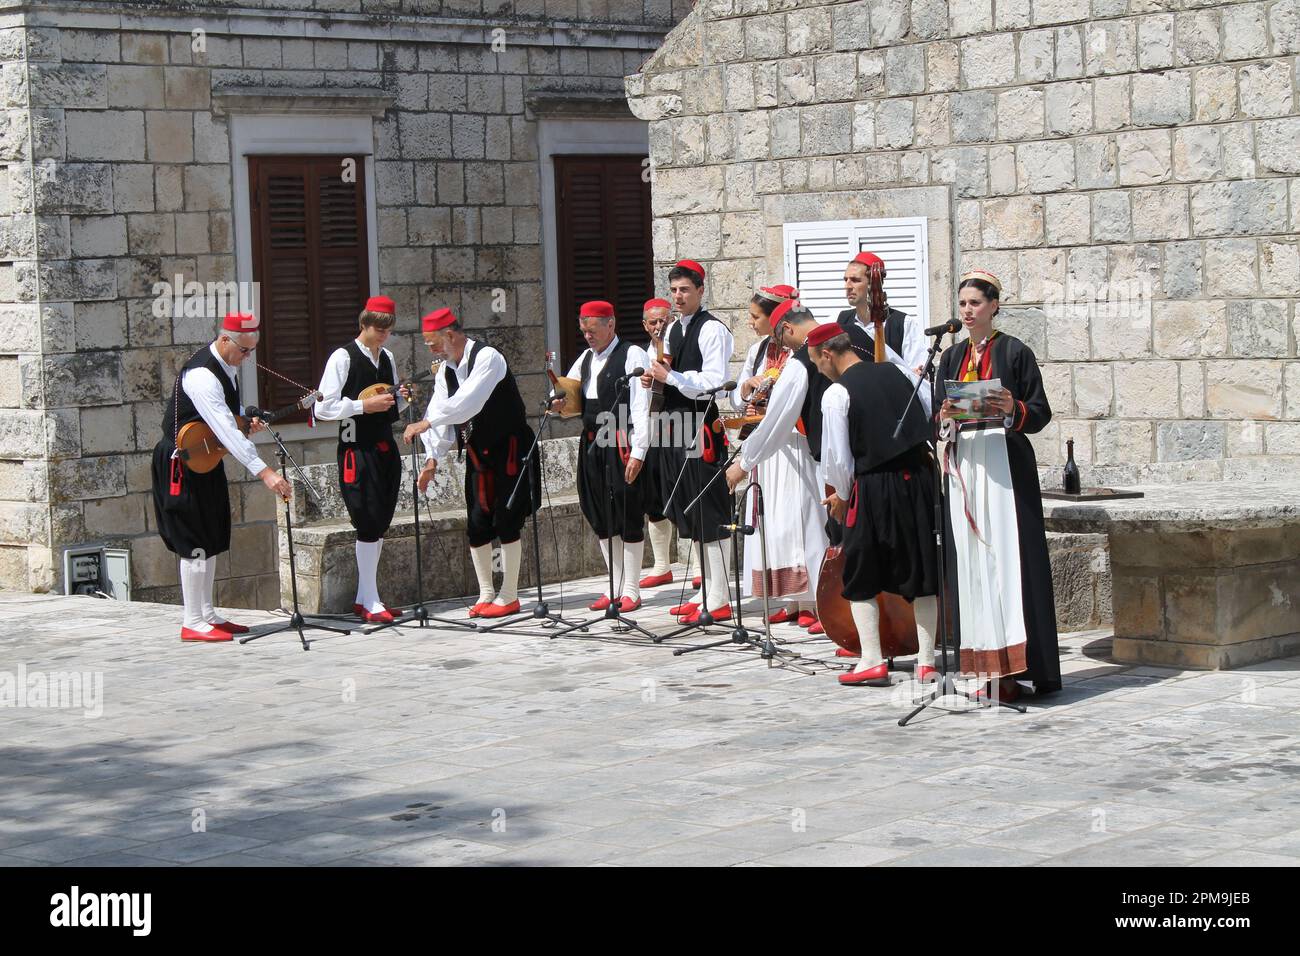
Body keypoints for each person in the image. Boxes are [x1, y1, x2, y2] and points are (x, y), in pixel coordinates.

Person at [937, 270, 1061, 700]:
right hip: (967, 465)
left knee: (1008, 564)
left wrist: (1014, 406)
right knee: (972, 566)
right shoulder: (951, 358)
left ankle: (1013, 671)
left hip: (1006, 468)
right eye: (963, 304)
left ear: (994, 306)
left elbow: (1040, 413)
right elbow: (939, 409)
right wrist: (945, 418)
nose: (967, 311)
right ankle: (982, 668)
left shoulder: (1015, 352)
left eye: (975, 303)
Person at [810, 322, 939, 687]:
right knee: (922, 567)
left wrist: (843, 496)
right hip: (919, 480)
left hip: (873, 485)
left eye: (819, 365)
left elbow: (838, 458)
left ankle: (871, 660)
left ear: (827, 354)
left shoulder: (836, 395)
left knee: (861, 568)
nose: (821, 371)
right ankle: (927, 662)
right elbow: (930, 413)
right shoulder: (899, 372)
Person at [150, 312, 292, 642]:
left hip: (206, 458)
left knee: (210, 534)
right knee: (192, 538)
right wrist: (265, 471)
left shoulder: (227, 367)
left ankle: (206, 612)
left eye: (251, 352)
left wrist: (246, 422)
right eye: (244, 350)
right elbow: (224, 429)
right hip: (181, 461)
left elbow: (230, 420)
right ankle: (192, 620)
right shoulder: (202, 375)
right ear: (225, 339)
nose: (247, 357)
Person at [402, 308, 540, 619]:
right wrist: (432, 458)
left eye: (432, 343)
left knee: (507, 519)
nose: (431, 350)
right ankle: (486, 592)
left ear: (449, 335)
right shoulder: (445, 371)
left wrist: (426, 422)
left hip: (509, 447)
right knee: (477, 522)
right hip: (479, 452)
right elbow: (442, 411)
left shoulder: (488, 357)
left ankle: (509, 594)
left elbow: (467, 404)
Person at [725, 294, 829, 633]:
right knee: (776, 523)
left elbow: (791, 405)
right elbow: (738, 394)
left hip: (795, 444)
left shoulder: (802, 355)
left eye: (756, 316)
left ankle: (814, 601)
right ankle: (790, 598)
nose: (752, 323)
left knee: (802, 519)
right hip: (768, 444)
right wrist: (746, 389)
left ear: (779, 321)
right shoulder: (758, 351)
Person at [640, 259, 735, 623]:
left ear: (700, 291)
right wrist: (656, 380)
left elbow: (713, 381)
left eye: (685, 290)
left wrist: (673, 376)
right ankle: (704, 591)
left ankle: (720, 596)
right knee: (691, 513)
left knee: (710, 510)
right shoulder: (674, 330)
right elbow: (668, 374)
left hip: (700, 427)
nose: (678, 297)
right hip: (675, 428)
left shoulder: (713, 331)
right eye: (674, 290)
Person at [314, 295, 412, 624]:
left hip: (384, 445)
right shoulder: (342, 357)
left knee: (381, 520)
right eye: (378, 328)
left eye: (388, 328)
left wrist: (402, 399)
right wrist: (360, 407)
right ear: (364, 324)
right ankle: (370, 599)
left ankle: (365, 596)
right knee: (367, 520)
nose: (383, 334)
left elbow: (391, 404)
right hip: (356, 448)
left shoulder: (386, 357)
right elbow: (322, 408)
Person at [553, 300, 651, 611]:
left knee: (627, 509)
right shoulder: (584, 359)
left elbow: (641, 405)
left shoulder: (632, 355)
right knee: (598, 511)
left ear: (611, 325)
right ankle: (614, 585)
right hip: (592, 442)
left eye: (593, 330)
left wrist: (639, 451)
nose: (588, 336)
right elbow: (567, 398)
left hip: (622, 439)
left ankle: (632, 589)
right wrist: (557, 403)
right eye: (584, 330)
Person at [838, 251, 931, 415]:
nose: (847, 286)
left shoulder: (903, 323)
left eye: (855, 280)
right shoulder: (840, 321)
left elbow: (917, 373)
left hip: (894, 409)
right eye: (845, 279)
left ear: (873, 283)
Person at [637, 297, 677, 589]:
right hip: (651, 430)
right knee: (653, 498)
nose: (659, 326)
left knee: (684, 494)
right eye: (654, 321)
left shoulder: (680, 347)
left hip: (680, 427)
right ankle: (661, 565)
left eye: (664, 320)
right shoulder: (639, 354)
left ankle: (700, 567)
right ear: (645, 325)